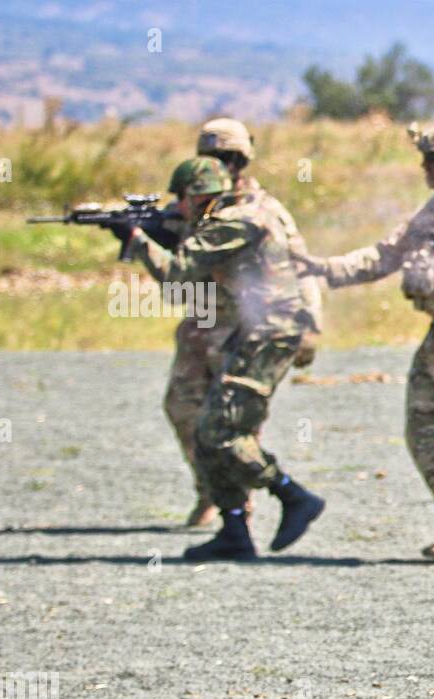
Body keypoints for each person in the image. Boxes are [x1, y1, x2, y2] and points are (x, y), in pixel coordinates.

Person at [299, 123, 434, 562]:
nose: (425, 167)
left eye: (433, 159)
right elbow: (385, 255)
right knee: (424, 436)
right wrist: (322, 269)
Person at [122, 156, 325, 561]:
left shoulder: (235, 221)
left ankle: (292, 494)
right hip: (253, 331)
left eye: (180, 200)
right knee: (206, 429)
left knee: (222, 431)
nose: (177, 208)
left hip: (270, 333)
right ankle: (234, 529)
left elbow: (179, 276)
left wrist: (139, 239)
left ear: (197, 196)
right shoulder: (230, 217)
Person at [164, 118, 324, 527]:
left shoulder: (262, 210)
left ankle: (241, 508)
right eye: (215, 157)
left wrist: (312, 324)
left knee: (231, 423)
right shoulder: (195, 204)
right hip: (202, 320)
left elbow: (300, 267)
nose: (225, 166)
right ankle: (211, 493)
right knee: (184, 408)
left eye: (231, 158)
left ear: (244, 160)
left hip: (246, 328)